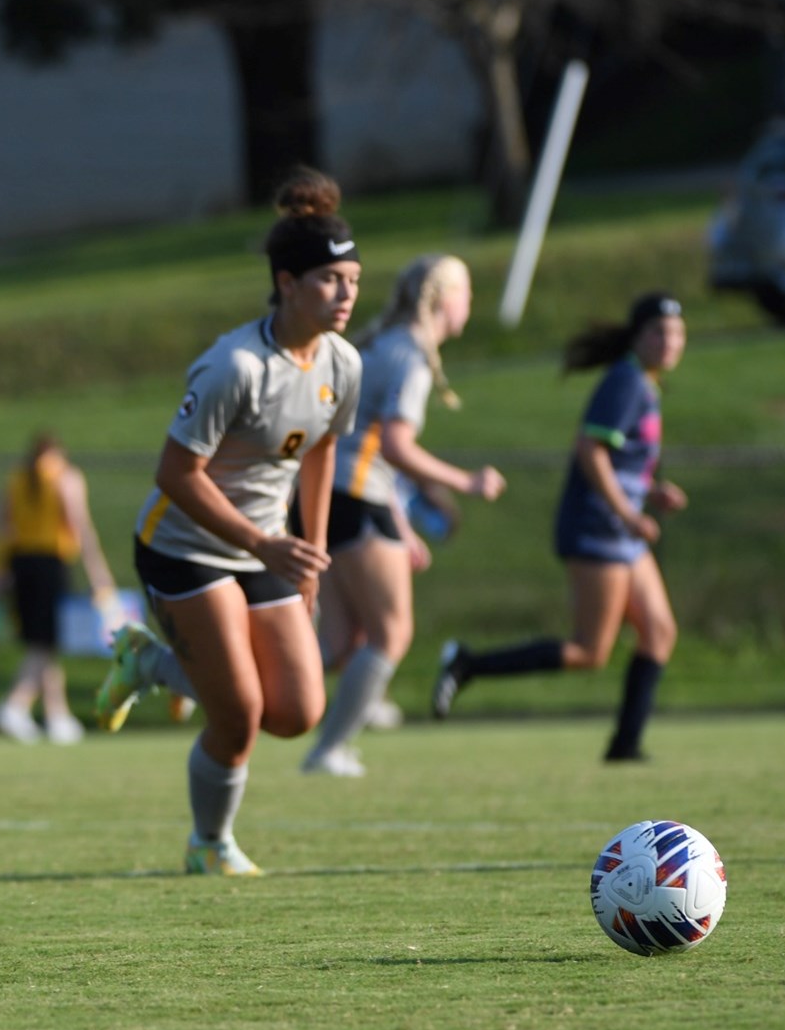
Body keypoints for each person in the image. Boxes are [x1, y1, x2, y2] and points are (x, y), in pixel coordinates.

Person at [91, 168, 363, 875]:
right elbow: (174, 475)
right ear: (288, 282)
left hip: (267, 550)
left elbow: (323, 453)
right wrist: (265, 544)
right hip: (183, 547)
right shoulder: (235, 366)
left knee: (298, 712)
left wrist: (310, 552)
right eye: (332, 281)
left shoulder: (344, 363)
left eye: (354, 281)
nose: (345, 295)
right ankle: (209, 846)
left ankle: (147, 662)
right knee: (237, 713)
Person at [432, 292, 688, 764]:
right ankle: (468, 664)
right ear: (638, 337)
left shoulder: (645, 384)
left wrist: (651, 491)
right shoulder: (627, 382)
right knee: (590, 652)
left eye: (676, 332)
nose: (669, 341)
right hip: (598, 529)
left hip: (620, 531)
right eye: (658, 331)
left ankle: (625, 746)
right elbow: (590, 451)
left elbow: (622, 461)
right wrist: (631, 514)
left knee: (659, 631)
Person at [297, 254, 506, 776]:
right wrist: (466, 482)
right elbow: (394, 445)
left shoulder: (385, 345)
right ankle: (327, 751)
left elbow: (361, 444)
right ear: (443, 300)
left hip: (334, 494)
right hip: (357, 497)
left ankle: (222, 689)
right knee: (391, 635)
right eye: (468, 293)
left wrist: (403, 525)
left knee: (343, 641)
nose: (470, 304)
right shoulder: (410, 354)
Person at [0, 433, 119, 745]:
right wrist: (99, 574)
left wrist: (0, 570)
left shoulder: (17, 478)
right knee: (44, 642)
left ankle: (57, 715)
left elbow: (1, 526)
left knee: (45, 641)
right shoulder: (65, 477)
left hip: (19, 564)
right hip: (50, 564)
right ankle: (15, 704)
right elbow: (80, 526)